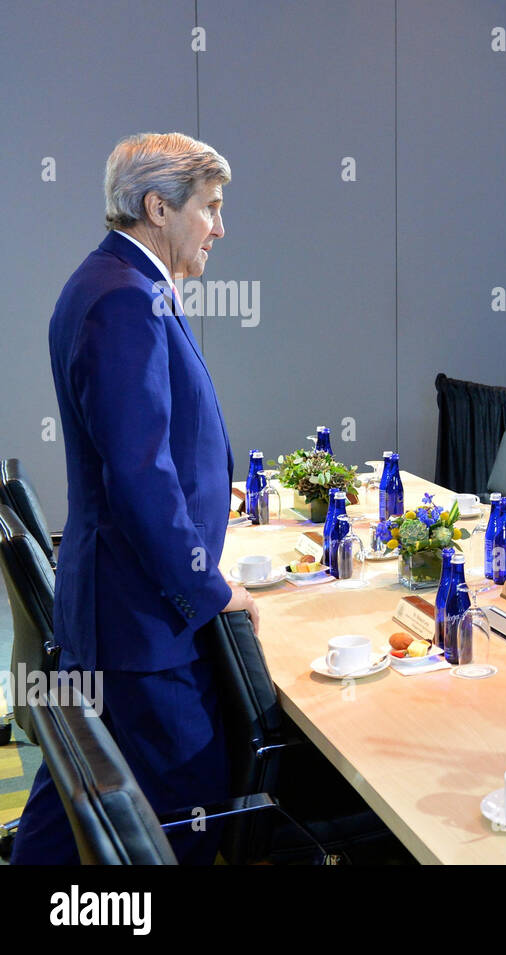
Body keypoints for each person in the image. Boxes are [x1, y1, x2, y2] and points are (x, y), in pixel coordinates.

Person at [12, 132, 256, 864]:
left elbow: (146, 451)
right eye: (209, 208)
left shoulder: (116, 282)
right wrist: (209, 589)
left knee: (78, 799)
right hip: (142, 623)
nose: (220, 226)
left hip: (117, 611)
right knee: (186, 801)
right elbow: (139, 476)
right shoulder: (122, 298)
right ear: (158, 206)